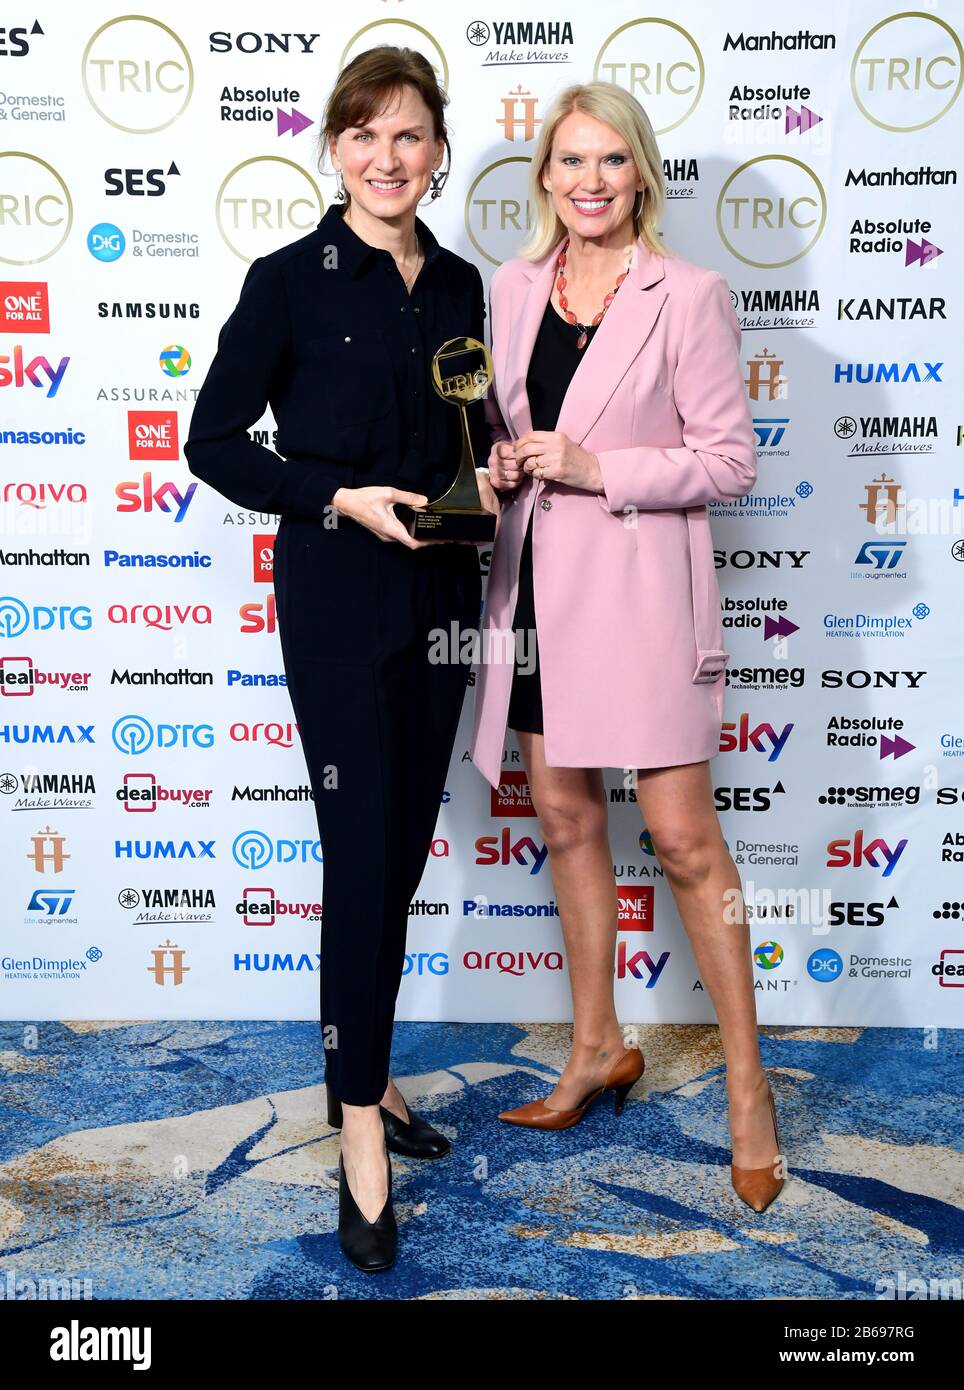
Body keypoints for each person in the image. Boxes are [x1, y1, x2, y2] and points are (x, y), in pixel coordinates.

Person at [184, 46, 501, 1271]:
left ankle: (356, 1072)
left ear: (437, 151)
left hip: (443, 590)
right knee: (359, 854)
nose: (387, 158)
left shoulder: (467, 284)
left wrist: (503, 465)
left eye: (410, 136)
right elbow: (213, 442)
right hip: (335, 590)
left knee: (401, 853)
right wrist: (333, 498)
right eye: (365, 135)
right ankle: (360, 1129)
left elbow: (472, 431)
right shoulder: (287, 281)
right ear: (333, 147)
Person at [472, 82, 784, 1213]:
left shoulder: (687, 294)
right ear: (543, 177)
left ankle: (750, 1089)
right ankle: (595, 1047)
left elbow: (728, 460)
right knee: (563, 819)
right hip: (540, 593)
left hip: (643, 599)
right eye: (569, 162)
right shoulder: (508, 291)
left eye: (610, 162)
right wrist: (506, 464)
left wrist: (603, 469)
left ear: (639, 174)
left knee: (685, 840)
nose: (588, 182)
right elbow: (506, 432)